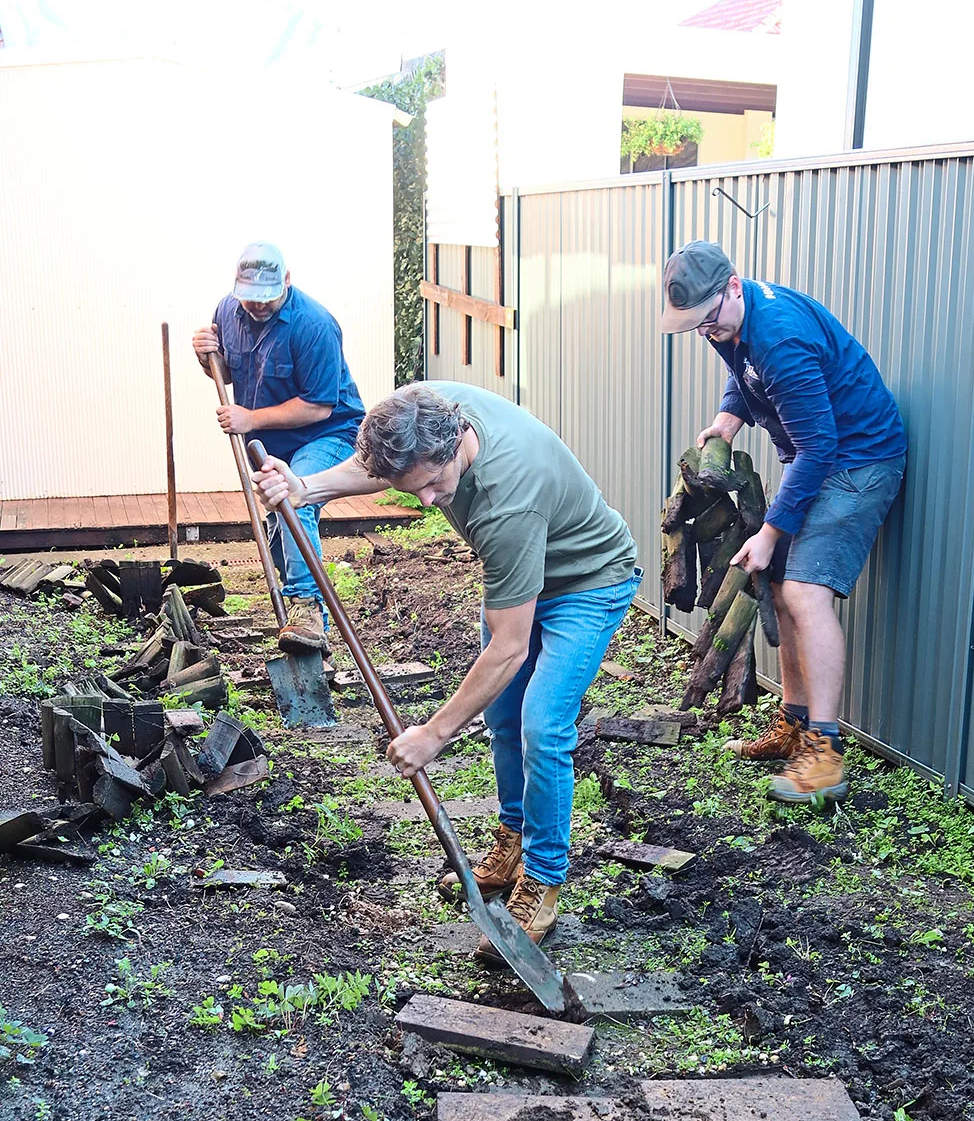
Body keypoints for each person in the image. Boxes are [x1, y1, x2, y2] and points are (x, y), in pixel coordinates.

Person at [252, 382, 640, 961]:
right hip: (521, 577)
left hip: (587, 580)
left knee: (542, 723)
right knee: (503, 719)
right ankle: (512, 839)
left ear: (457, 439)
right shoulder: (415, 415)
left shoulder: (509, 497)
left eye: (436, 483)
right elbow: (374, 468)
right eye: (416, 489)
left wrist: (433, 734)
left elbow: (508, 650)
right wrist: (307, 488)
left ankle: (544, 877)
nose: (432, 501)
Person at [660, 240, 907, 804]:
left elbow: (820, 447)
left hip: (858, 462)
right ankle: (793, 724)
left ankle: (823, 757)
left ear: (733, 287)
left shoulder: (781, 338)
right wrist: (727, 419)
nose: (706, 333)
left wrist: (769, 533)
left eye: (709, 320)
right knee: (777, 582)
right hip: (819, 458)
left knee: (802, 592)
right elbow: (743, 377)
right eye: (696, 326)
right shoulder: (730, 323)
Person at [192, 241, 365, 654]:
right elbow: (229, 371)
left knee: (293, 499)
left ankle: (307, 609)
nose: (257, 307)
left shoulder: (314, 325)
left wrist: (249, 419)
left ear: (286, 280)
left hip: (328, 433)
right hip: (273, 443)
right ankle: (305, 628)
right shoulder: (226, 312)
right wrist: (204, 356)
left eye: (266, 298)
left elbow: (320, 406)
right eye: (249, 298)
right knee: (278, 524)